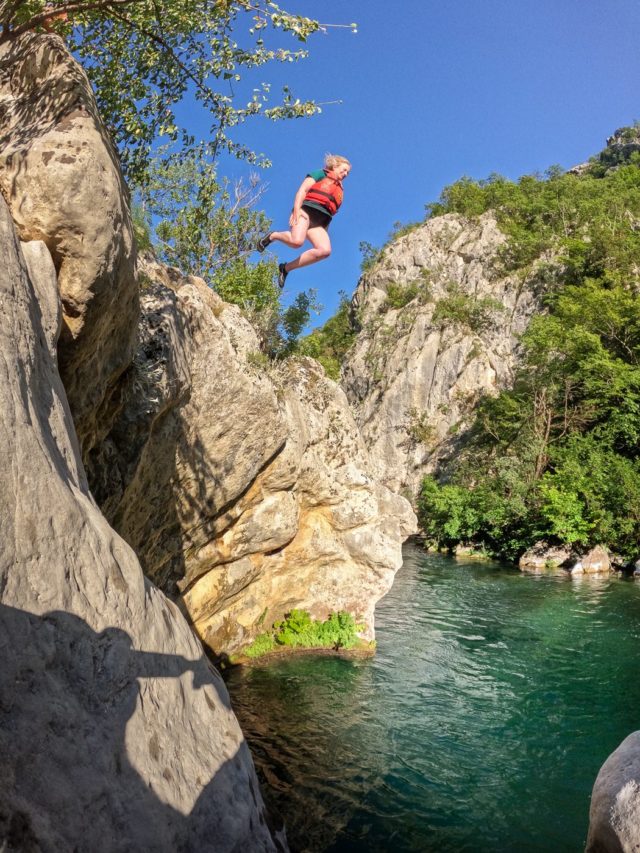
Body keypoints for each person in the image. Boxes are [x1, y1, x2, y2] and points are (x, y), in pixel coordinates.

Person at [256, 154, 351, 288]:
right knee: (296, 242)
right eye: (344, 169)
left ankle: (285, 268)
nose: (346, 173)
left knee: (325, 251)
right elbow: (303, 190)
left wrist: (325, 231)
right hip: (305, 211)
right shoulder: (320, 174)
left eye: (348, 172)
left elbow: (331, 212)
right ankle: (274, 235)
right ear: (335, 166)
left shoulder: (340, 190)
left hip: (320, 223)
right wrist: (296, 209)